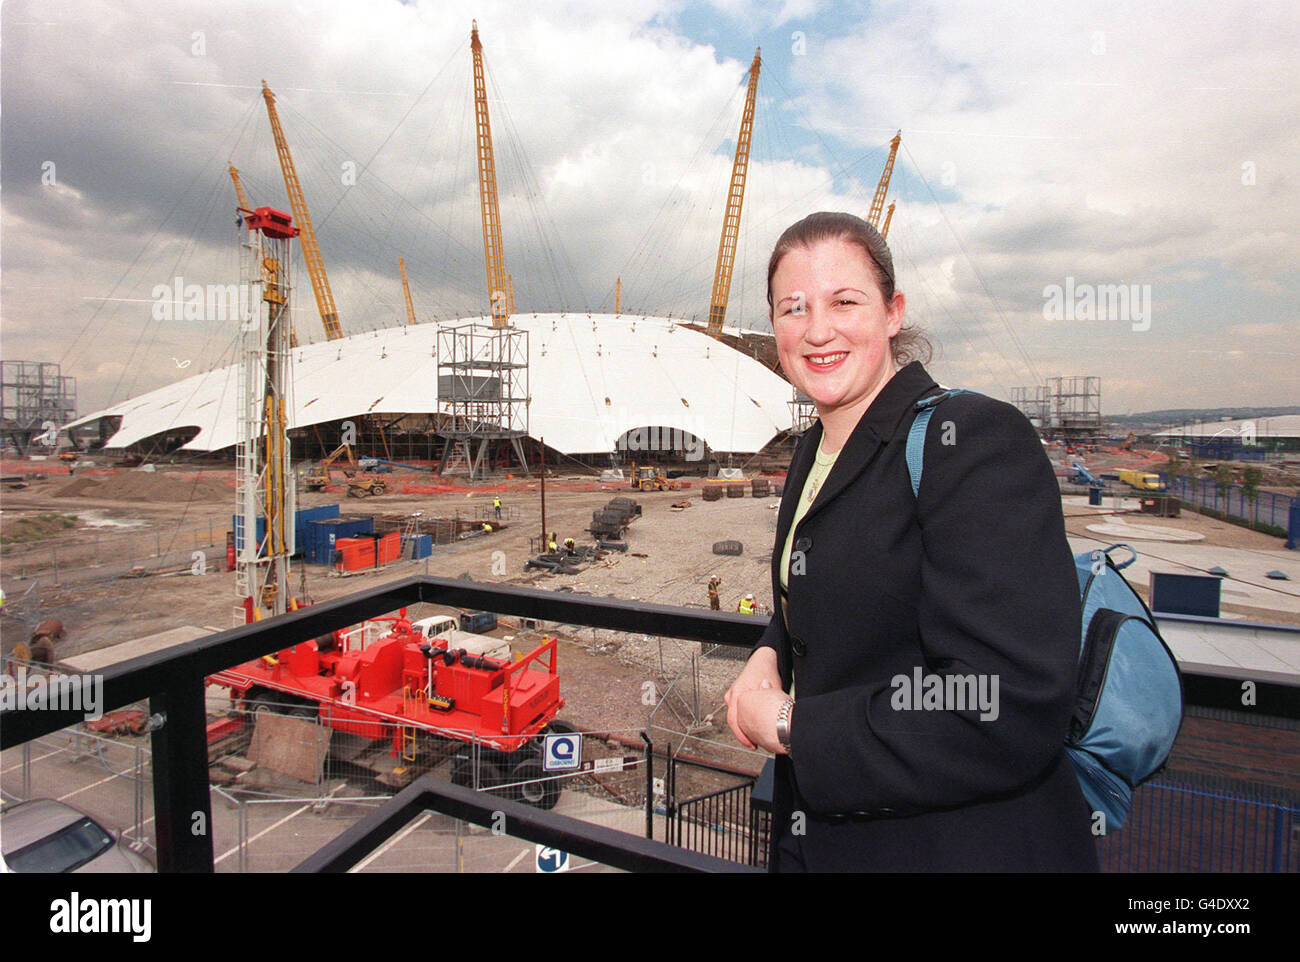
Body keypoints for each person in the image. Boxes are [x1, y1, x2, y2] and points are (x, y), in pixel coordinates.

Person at [723, 211, 1097, 872]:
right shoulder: (813, 452)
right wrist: (768, 650)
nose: (817, 330)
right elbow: (820, 600)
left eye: (845, 301)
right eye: (793, 308)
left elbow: (1001, 702)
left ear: (894, 312)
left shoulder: (973, 441)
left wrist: (790, 725)